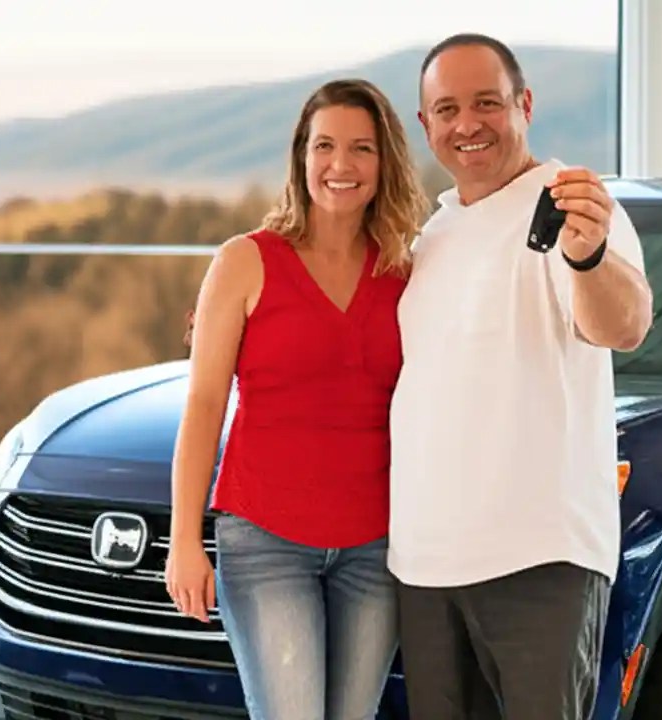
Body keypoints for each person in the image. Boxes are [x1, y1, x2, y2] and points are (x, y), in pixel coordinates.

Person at [388, 33, 654, 720]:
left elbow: (622, 325)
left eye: (486, 103)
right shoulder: (435, 234)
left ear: (524, 104)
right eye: (446, 109)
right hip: (425, 561)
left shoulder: (571, 206)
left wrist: (589, 258)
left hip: (539, 556)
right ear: (426, 125)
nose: (466, 124)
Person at [164, 78, 427, 720]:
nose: (341, 165)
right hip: (265, 540)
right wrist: (183, 539)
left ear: (384, 161)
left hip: (378, 544)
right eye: (325, 146)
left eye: (362, 149)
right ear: (301, 158)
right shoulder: (244, 263)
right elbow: (203, 405)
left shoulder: (407, 270)